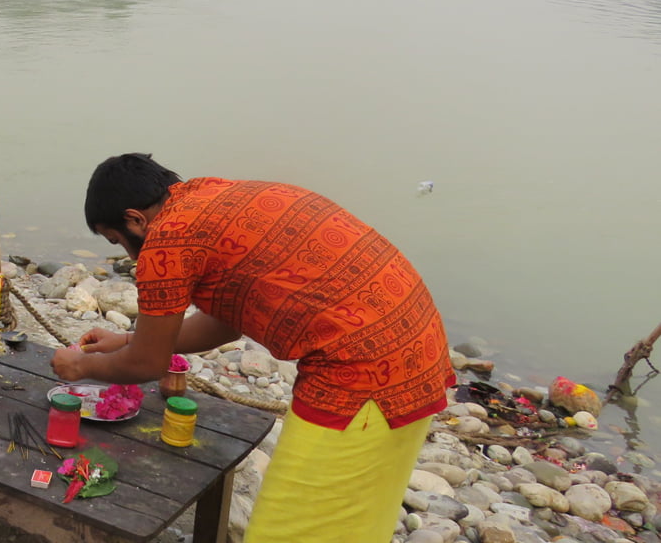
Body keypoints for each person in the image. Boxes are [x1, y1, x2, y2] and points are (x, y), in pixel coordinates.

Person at [52, 154, 453, 543]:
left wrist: (82, 367)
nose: (127, 254)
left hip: (363, 375)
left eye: (118, 240)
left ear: (135, 219)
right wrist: (126, 340)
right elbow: (225, 326)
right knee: (355, 523)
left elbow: (148, 362)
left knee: (286, 530)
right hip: (417, 348)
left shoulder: (167, 238)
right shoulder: (212, 197)